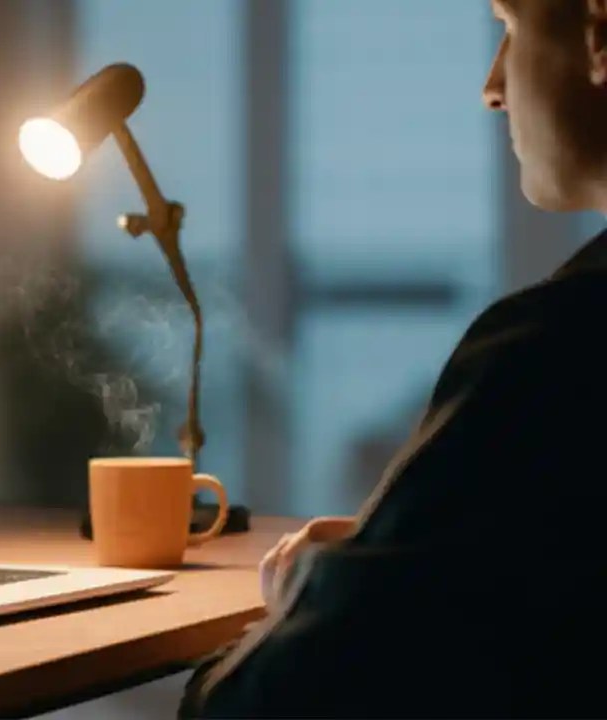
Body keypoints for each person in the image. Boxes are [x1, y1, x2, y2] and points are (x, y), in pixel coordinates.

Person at [180, 0, 607, 716]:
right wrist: (395, 558)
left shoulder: (558, 346)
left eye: (510, 27)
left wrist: (317, 595)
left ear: (600, 32)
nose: (492, 87)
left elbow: (263, 702)